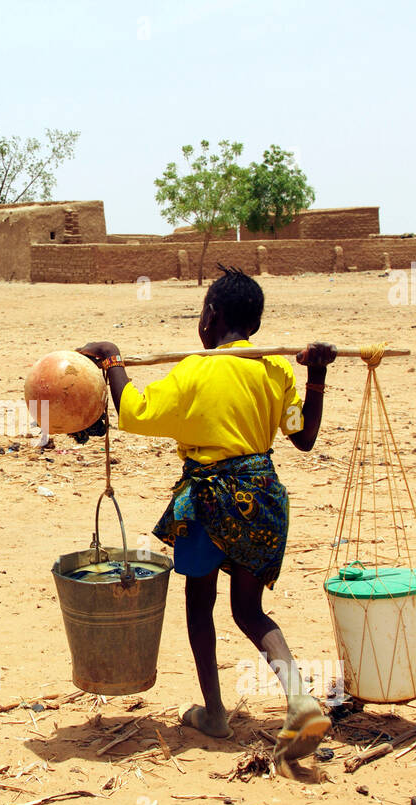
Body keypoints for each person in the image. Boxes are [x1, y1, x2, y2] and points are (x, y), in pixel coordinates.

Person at [78, 265, 338, 766]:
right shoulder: (275, 370)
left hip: (210, 499)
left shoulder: (196, 369)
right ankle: (300, 698)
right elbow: (303, 438)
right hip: (263, 496)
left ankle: (215, 712)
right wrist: (318, 374)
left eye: (202, 311)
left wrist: (112, 361)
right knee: (249, 611)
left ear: (212, 317)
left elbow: (135, 411)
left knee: (200, 604)